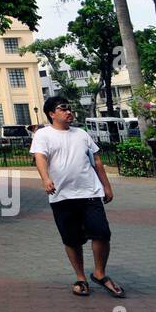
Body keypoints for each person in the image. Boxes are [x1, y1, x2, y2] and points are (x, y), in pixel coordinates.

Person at [31, 96, 125, 298]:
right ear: (51, 114)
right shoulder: (43, 135)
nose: (69, 112)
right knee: (72, 239)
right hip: (62, 195)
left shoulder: (81, 134)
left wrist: (106, 187)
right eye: (63, 109)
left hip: (90, 192)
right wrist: (45, 179)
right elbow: (40, 157)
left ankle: (99, 273)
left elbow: (97, 160)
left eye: (70, 109)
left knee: (101, 232)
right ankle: (81, 278)